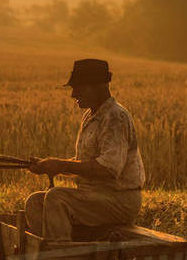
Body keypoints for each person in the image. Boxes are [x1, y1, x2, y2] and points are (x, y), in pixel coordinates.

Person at [26, 59, 145, 240]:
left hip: (118, 200)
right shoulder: (90, 115)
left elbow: (108, 169)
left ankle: (62, 258)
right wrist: (49, 166)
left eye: (79, 87)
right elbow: (86, 165)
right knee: (35, 202)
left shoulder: (115, 117)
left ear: (98, 87)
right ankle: (50, 252)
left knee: (56, 198)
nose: (74, 94)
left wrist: (60, 165)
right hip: (94, 196)